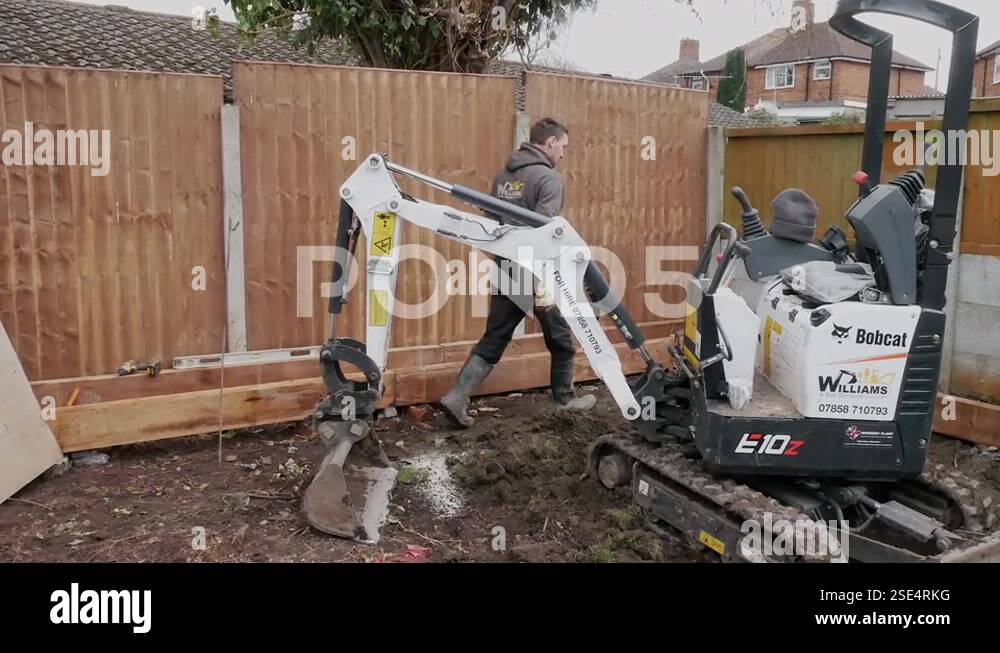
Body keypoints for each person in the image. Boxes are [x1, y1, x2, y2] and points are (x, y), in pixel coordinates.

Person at [439, 117, 597, 428]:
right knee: (561, 337)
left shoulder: (503, 178)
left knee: (496, 335)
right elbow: (544, 229)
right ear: (550, 143)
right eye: (563, 146)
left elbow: (491, 222)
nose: (563, 153)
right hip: (535, 270)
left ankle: (457, 397)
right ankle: (564, 400)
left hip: (507, 264)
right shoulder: (549, 180)